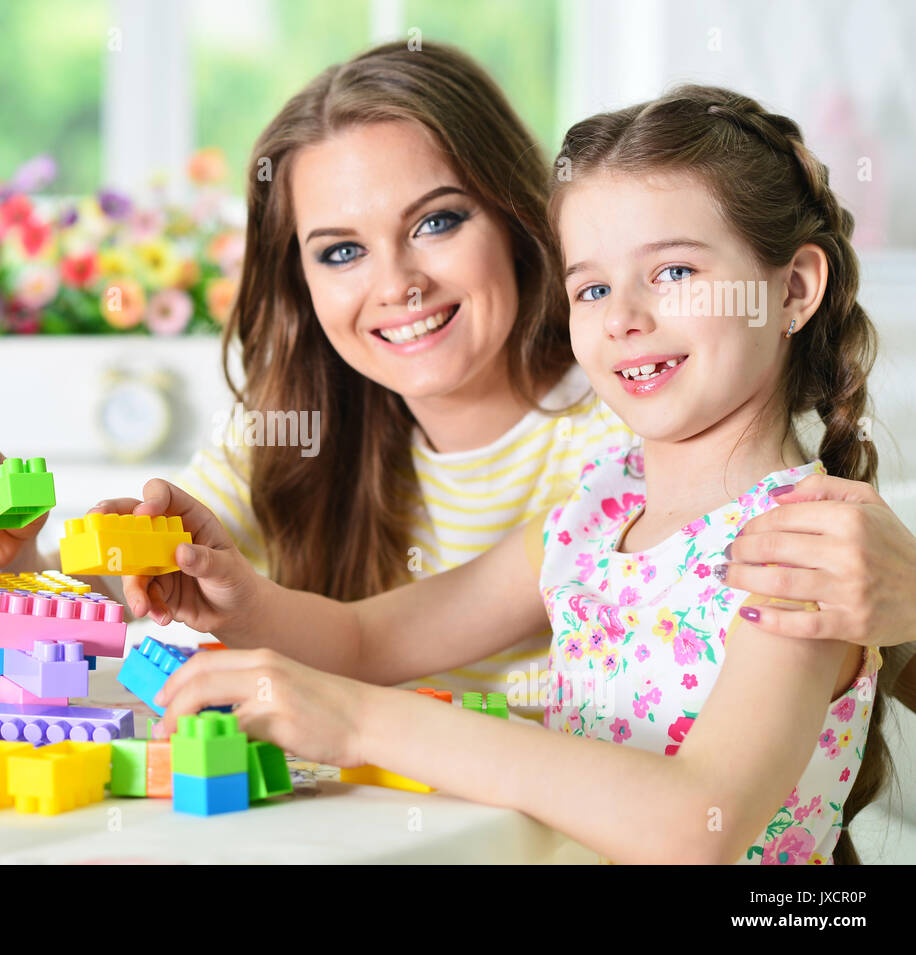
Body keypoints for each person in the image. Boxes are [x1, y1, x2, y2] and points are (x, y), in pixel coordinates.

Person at [0, 41, 916, 712]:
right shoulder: (294, 431)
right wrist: (24, 563)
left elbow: (829, 661)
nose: (396, 283)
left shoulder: (647, 421)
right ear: (300, 283)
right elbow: (168, 590)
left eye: (438, 221)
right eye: (339, 251)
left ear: (523, 221)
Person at [128, 85, 915, 864]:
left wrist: (360, 722)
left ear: (795, 289)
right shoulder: (594, 516)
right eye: (593, 287)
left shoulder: (803, 554)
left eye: (674, 271)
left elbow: (694, 824)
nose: (622, 317)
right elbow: (369, 637)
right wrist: (241, 598)